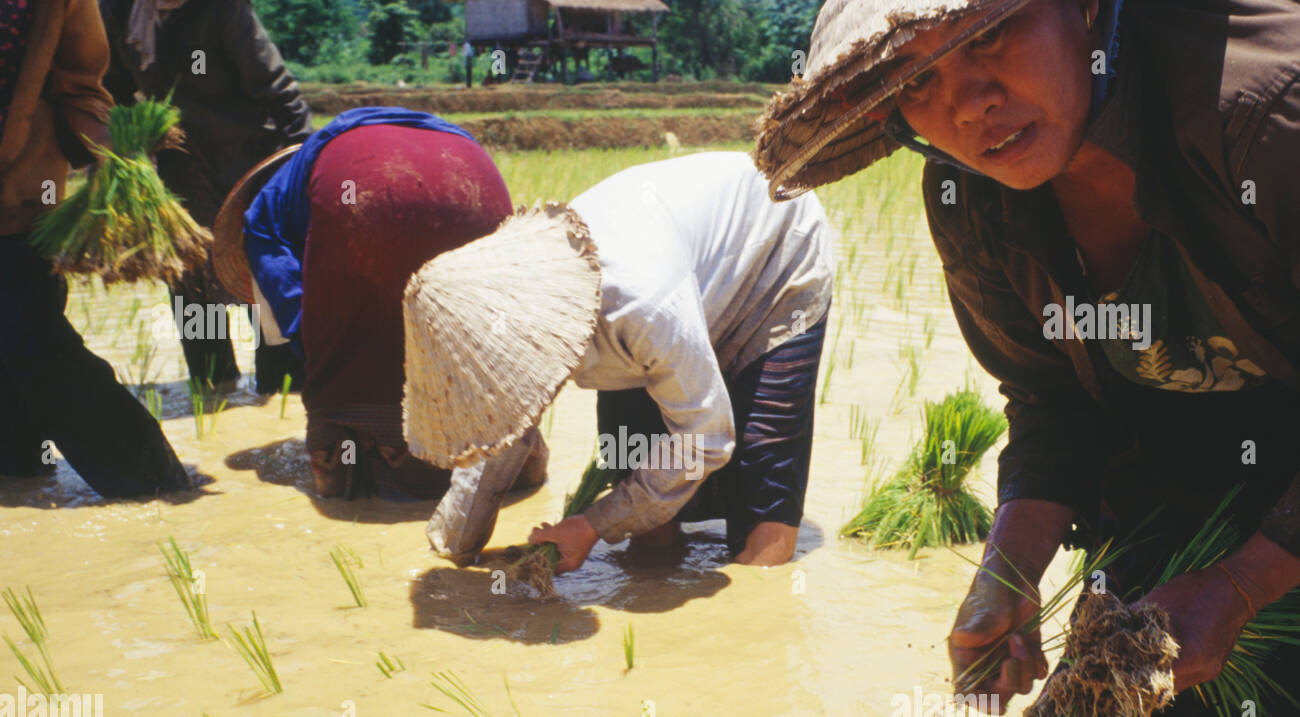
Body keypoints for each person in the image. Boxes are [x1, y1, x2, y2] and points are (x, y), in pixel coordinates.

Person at [757, 0, 1300, 717]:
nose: (969, 103)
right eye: (917, 81)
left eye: (988, 36)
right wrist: (1007, 568)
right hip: (1185, 479)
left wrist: (1244, 585)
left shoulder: (1262, 118)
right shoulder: (969, 196)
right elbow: (1050, 398)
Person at [413, 151, 834, 571]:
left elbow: (706, 438)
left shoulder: (642, 305)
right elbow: (503, 429)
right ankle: (655, 568)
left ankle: (760, 594)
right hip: (679, 278)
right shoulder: (502, 312)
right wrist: (456, 547)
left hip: (777, 254)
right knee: (628, 447)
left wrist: (593, 525)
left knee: (764, 459)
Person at [211, 107, 522, 500]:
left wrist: (319, 348)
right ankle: (506, 466)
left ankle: (360, 469)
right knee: (473, 341)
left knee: (345, 379)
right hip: (475, 178)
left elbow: (285, 287)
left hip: (360, 191)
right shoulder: (345, 148)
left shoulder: (267, 206)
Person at [0, 0, 190, 498]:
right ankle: (22, 474)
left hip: (18, 200)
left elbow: (79, 89)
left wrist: (119, 150)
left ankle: (151, 483)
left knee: (31, 339)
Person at [99, 0, 312, 393]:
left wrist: (305, 165)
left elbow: (279, 90)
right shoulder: (122, 12)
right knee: (191, 280)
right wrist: (127, 140)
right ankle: (217, 385)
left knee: (260, 277)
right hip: (181, 165)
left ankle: (281, 388)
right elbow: (114, 85)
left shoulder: (224, 10)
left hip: (246, 164)